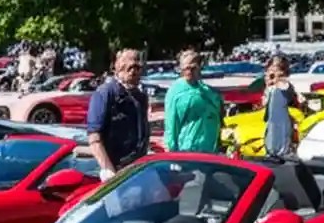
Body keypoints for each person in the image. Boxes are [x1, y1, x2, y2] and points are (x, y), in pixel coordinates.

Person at [86, 49, 150, 181]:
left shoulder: (140, 97)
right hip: (116, 169)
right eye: (131, 68)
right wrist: (107, 169)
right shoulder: (106, 93)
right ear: (118, 67)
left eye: (138, 68)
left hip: (137, 169)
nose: (135, 72)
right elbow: (94, 137)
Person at [163, 49, 224, 153]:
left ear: (200, 67)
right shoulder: (175, 92)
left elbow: (218, 117)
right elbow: (171, 124)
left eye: (193, 68)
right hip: (186, 150)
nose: (189, 72)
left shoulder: (208, 92)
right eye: (186, 68)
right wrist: (170, 149)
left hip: (210, 149)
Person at [262, 56, 300, 158]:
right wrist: (268, 85)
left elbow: (285, 87)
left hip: (283, 123)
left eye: (276, 68)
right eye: (270, 68)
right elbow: (264, 103)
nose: (272, 71)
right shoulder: (271, 88)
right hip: (272, 123)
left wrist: (277, 79)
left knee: (281, 146)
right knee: (271, 143)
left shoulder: (286, 85)